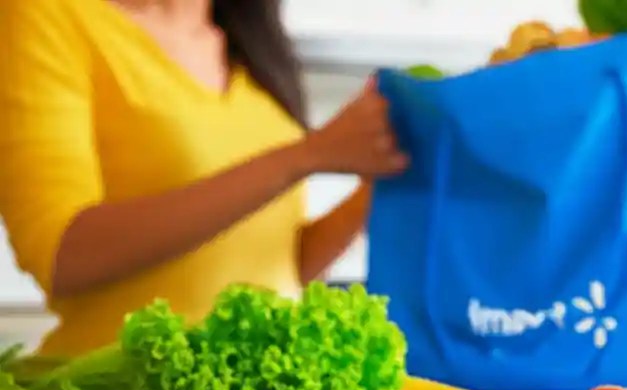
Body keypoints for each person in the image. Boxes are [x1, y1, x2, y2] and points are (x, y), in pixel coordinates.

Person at [0, 0, 407, 356]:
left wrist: (375, 191)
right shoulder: (47, 16)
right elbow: (61, 253)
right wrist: (308, 155)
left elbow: (277, 270)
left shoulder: (251, 49)